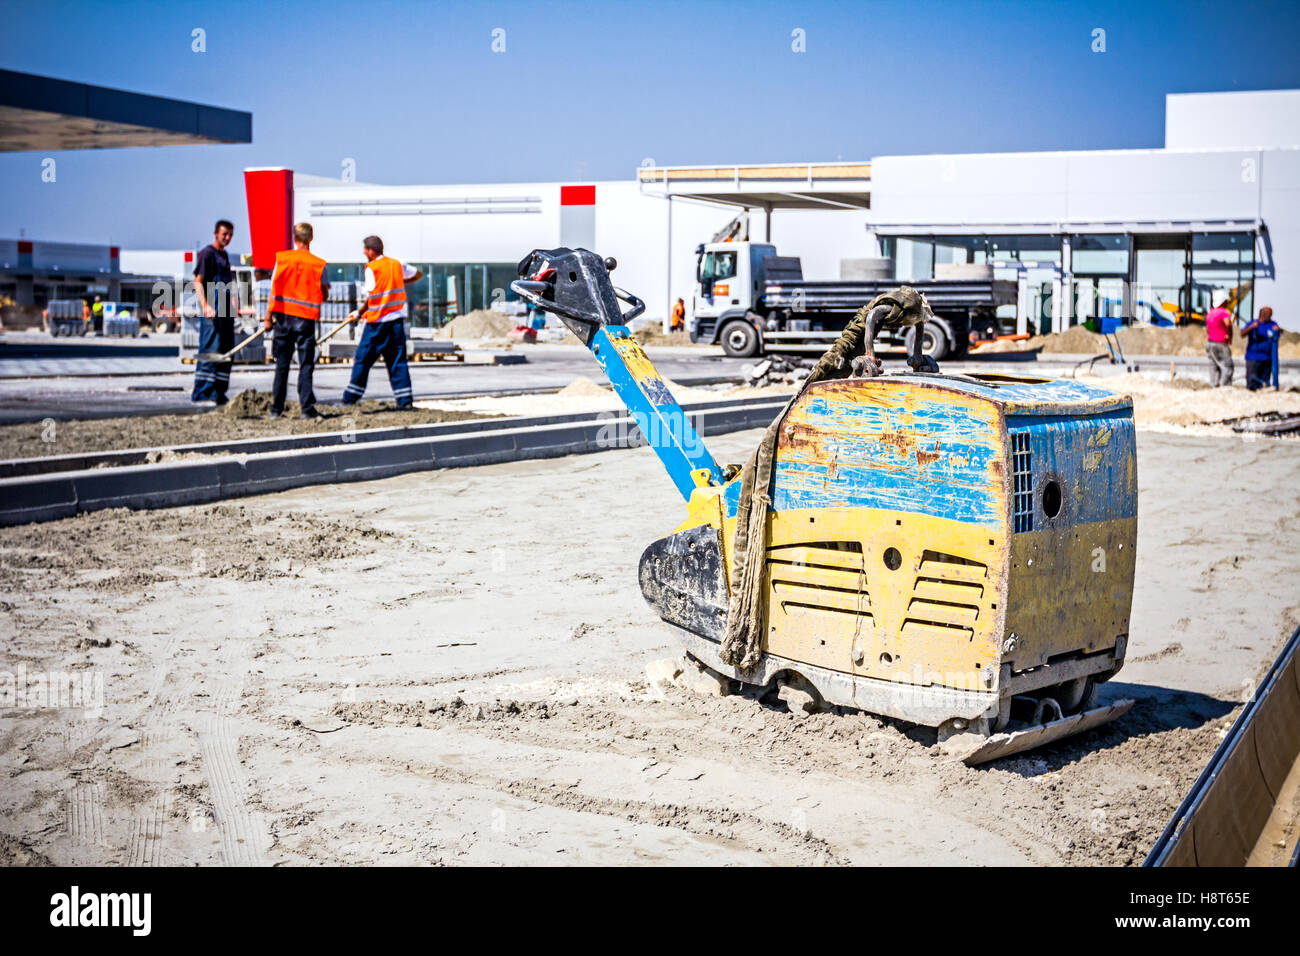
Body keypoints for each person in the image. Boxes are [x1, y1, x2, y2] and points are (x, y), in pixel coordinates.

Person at [341, 236, 422, 409]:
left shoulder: (372, 268)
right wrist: (400, 280)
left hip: (377, 323)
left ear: (370, 251)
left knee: (363, 359)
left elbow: (372, 297)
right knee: (397, 360)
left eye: (365, 249)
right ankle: (405, 401)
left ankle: (350, 398)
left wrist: (358, 312)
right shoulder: (397, 264)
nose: (364, 252)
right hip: (396, 322)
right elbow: (418, 274)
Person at [265, 222, 329, 418]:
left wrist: (268, 318)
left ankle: (276, 409)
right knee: (306, 365)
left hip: (283, 320)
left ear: (295, 238)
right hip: (306, 321)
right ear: (311, 238)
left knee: (282, 365)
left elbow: (273, 291)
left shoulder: (282, 260)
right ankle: (307, 409)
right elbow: (324, 293)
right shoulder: (319, 264)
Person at [191, 219, 238, 405]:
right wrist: (205, 305)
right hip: (212, 308)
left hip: (226, 311)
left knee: (226, 350)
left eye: (230, 235)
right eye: (224, 234)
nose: (227, 238)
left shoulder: (224, 255)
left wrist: (234, 304)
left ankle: (219, 391)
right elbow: (198, 281)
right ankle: (203, 391)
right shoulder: (207, 254)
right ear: (216, 234)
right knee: (211, 347)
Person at [1242, 306, 1281, 392]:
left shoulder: (1272, 324)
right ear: (1262, 314)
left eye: (1271, 315)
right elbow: (1242, 333)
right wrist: (1252, 327)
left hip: (1267, 359)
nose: (1270, 316)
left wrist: (1278, 330)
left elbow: (1279, 333)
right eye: (1268, 314)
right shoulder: (1253, 323)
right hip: (1253, 358)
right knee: (1252, 384)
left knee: (1264, 384)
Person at [1204, 299, 1234, 387]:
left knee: (1213, 365)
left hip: (1210, 342)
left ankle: (1214, 385)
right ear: (1223, 302)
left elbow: (1207, 329)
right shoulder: (1223, 312)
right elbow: (1228, 323)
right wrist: (1229, 335)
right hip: (1220, 343)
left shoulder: (1210, 312)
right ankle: (1225, 386)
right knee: (1227, 366)